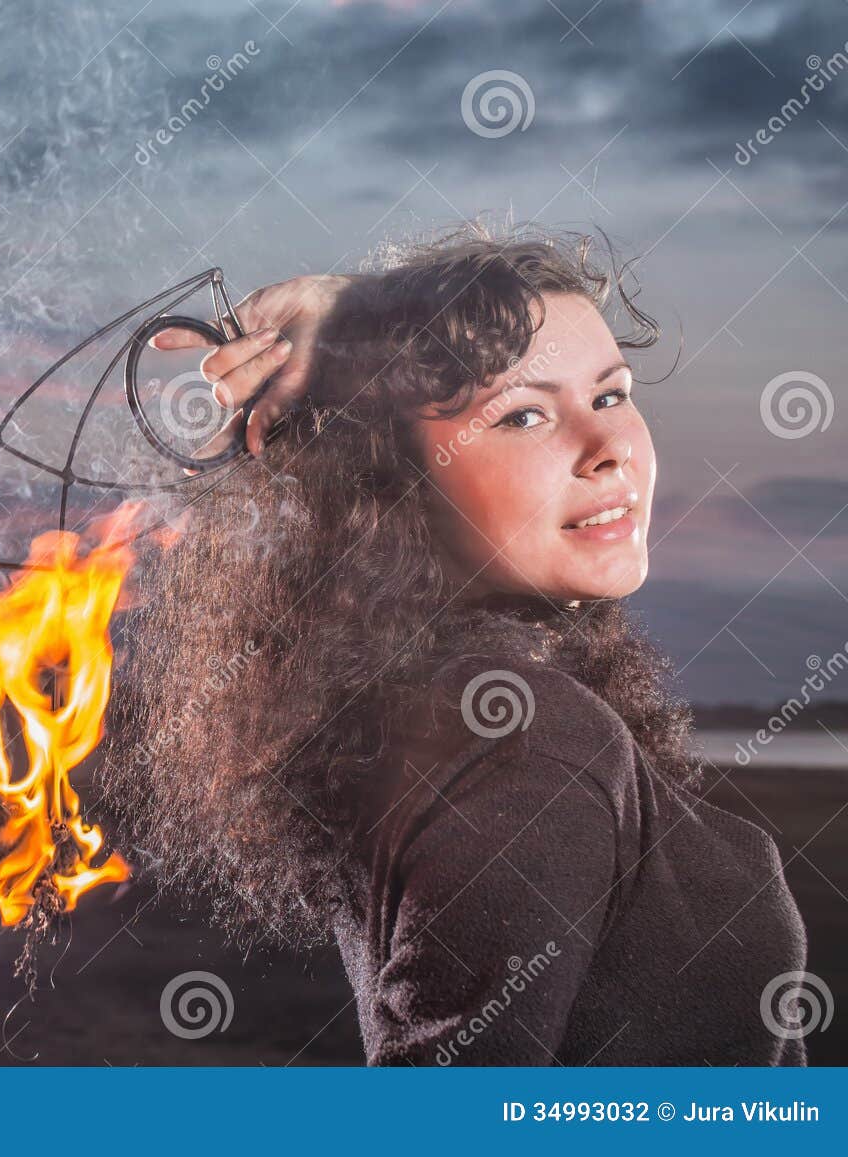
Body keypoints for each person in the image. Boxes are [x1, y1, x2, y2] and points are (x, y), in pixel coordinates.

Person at [106, 221, 809, 1065]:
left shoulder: (461, 705)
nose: (607, 451)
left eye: (612, 395)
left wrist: (364, 323)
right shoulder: (523, 737)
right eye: (520, 415)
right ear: (395, 484)